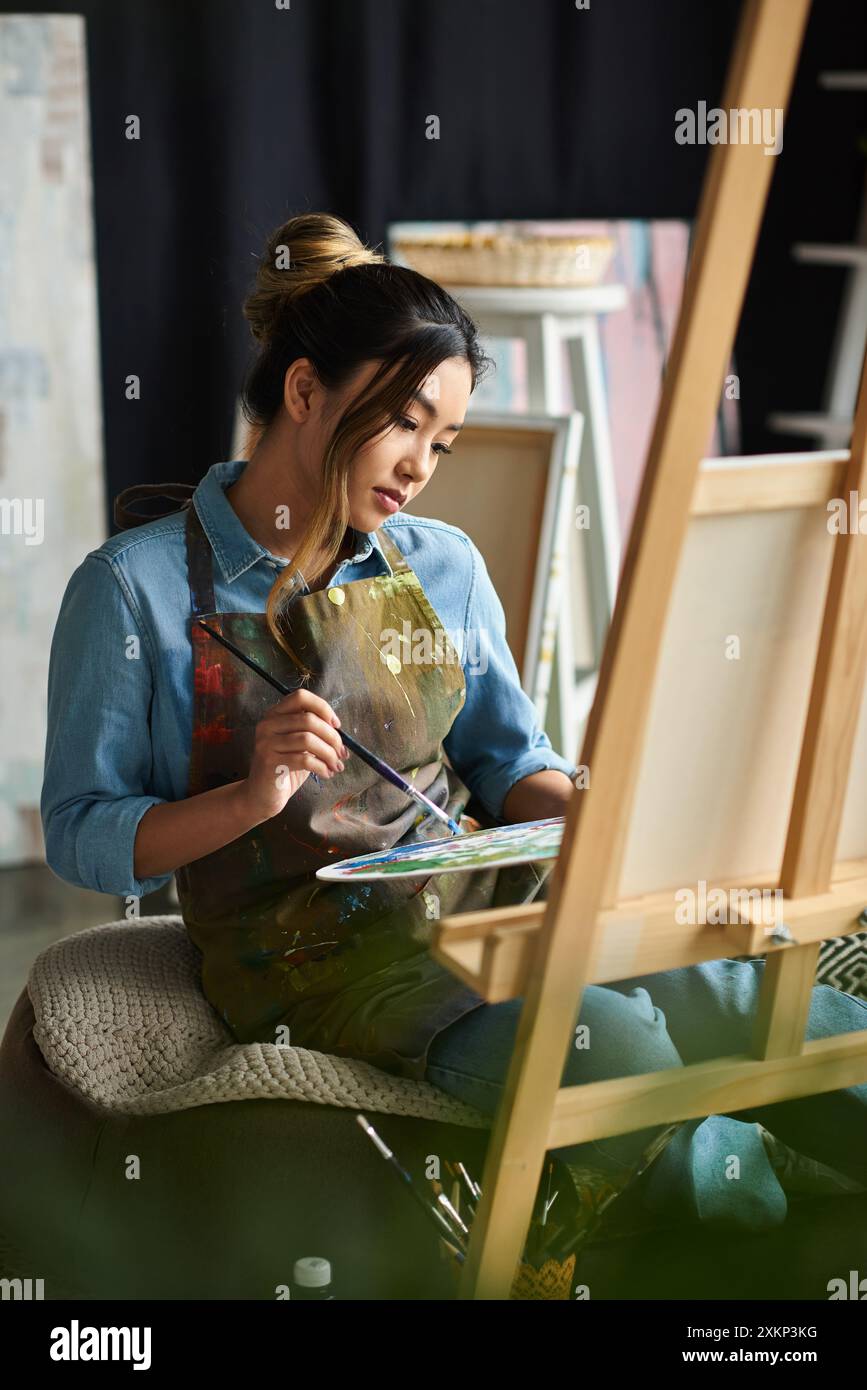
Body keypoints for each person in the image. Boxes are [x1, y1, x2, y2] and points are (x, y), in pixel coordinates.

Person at [41, 212, 867, 1234]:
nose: (423, 465)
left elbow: (512, 762)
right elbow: (83, 836)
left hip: (492, 903)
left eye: (444, 441)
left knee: (759, 996)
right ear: (304, 392)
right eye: (405, 425)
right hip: (326, 969)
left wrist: (613, 824)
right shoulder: (133, 589)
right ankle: (743, 1250)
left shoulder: (442, 565)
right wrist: (248, 798)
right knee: (623, 1050)